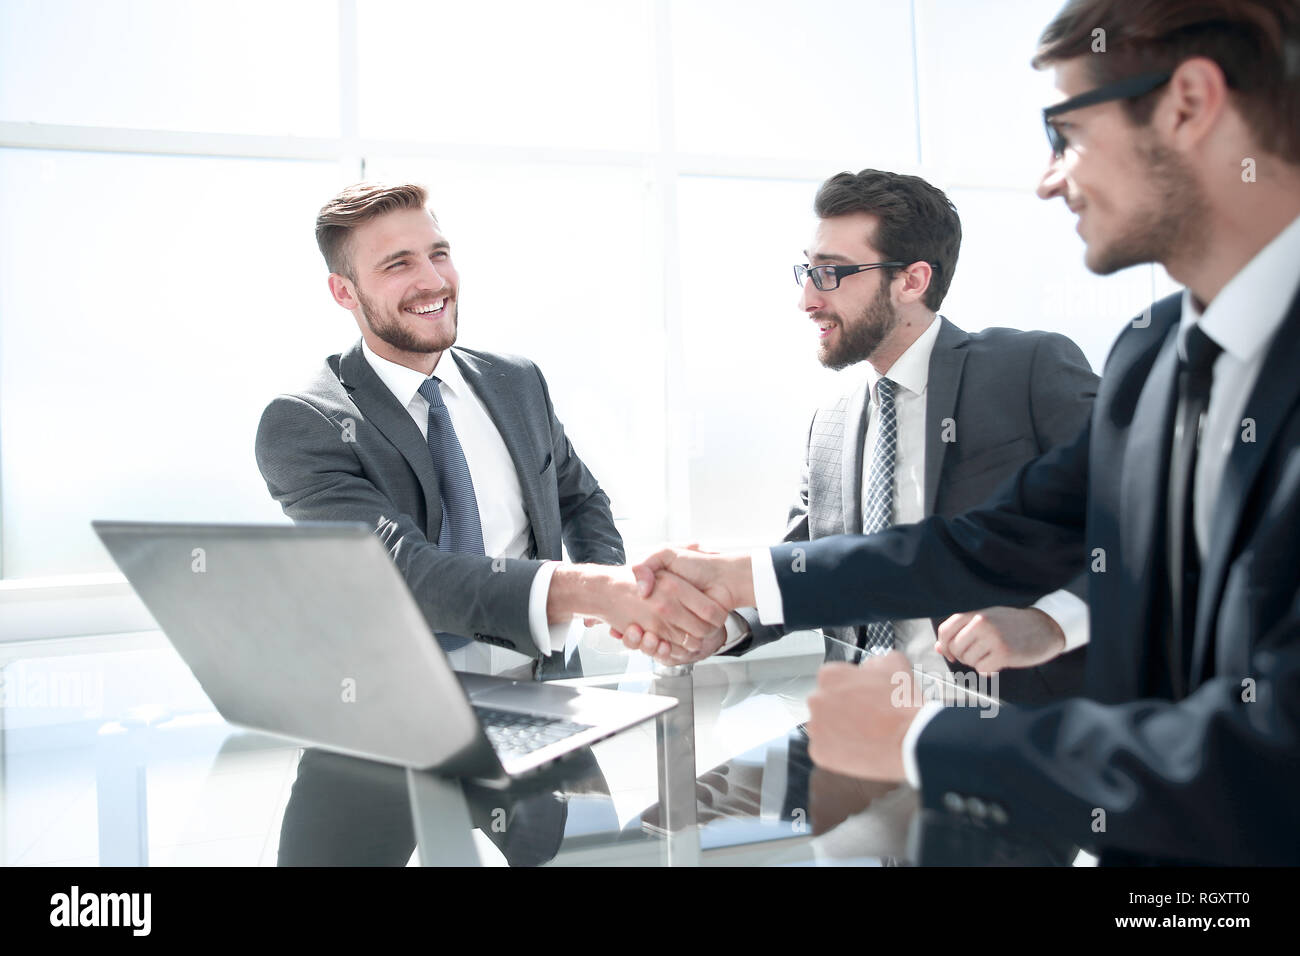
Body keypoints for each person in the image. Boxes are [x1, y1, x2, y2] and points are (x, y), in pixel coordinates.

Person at [628, 0, 1300, 864]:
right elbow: (996, 541)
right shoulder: (1154, 353)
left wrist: (921, 736)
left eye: (1068, 134)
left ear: (1188, 104)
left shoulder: (1031, 367)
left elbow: (1265, 759)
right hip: (1130, 839)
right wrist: (736, 581)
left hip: (1026, 764)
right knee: (655, 826)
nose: (1049, 180)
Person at [622, 169, 1098, 706]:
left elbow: (1141, 534)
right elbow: (808, 560)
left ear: (913, 281)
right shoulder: (831, 419)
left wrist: (1049, 621)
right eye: (807, 270)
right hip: (862, 733)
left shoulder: (1028, 371)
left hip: (1014, 732)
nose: (807, 299)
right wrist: (723, 625)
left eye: (831, 274)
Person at [255, 182, 724, 678]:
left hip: (552, 679)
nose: (433, 280)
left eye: (439, 254)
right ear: (344, 291)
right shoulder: (306, 422)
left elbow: (579, 498)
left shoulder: (516, 382)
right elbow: (403, 571)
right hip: (400, 700)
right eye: (399, 264)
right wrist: (593, 589)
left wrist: (611, 586)